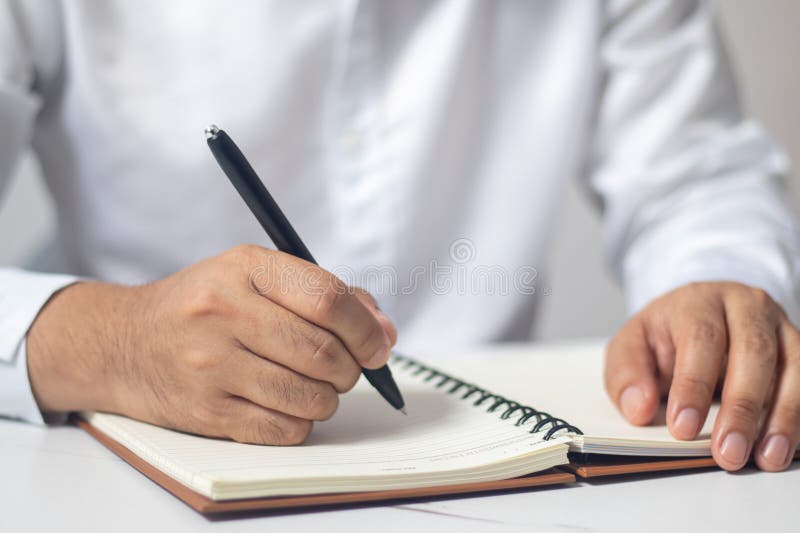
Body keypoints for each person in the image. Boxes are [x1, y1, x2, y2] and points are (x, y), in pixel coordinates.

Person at [1, 0, 798, 473]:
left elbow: (695, 174)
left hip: (519, 477)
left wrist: (714, 282)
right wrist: (113, 343)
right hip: (143, 470)